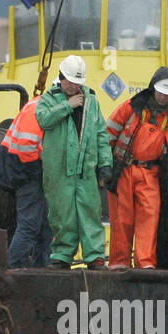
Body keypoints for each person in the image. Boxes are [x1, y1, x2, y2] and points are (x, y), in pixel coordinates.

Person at [104, 67, 168, 268]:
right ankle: (119, 263)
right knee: (122, 220)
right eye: (161, 91)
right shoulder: (130, 107)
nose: (164, 97)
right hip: (123, 171)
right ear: (153, 88)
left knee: (149, 219)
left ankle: (145, 264)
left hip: (152, 175)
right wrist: (104, 166)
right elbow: (107, 135)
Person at [35, 54, 112, 269]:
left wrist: (105, 164)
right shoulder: (49, 98)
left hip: (85, 172)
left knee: (90, 213)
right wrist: (67, 106)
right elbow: (43, 119)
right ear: (61, 78)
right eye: (70, 81)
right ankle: (61, 255)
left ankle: (95, 256)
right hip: (58, 171)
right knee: (61, 214)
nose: (73, 86)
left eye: (77, 82)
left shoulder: (91, 101)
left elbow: (100, 134)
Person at [0, 97, 51, 268]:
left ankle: (43, 271)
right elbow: (26, 146)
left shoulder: (41, 106)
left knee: (45, 228)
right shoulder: (38, 109)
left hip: (31, 172)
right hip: (27, 173)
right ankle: (13, 269)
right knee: (30, 226)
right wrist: (41, 170)